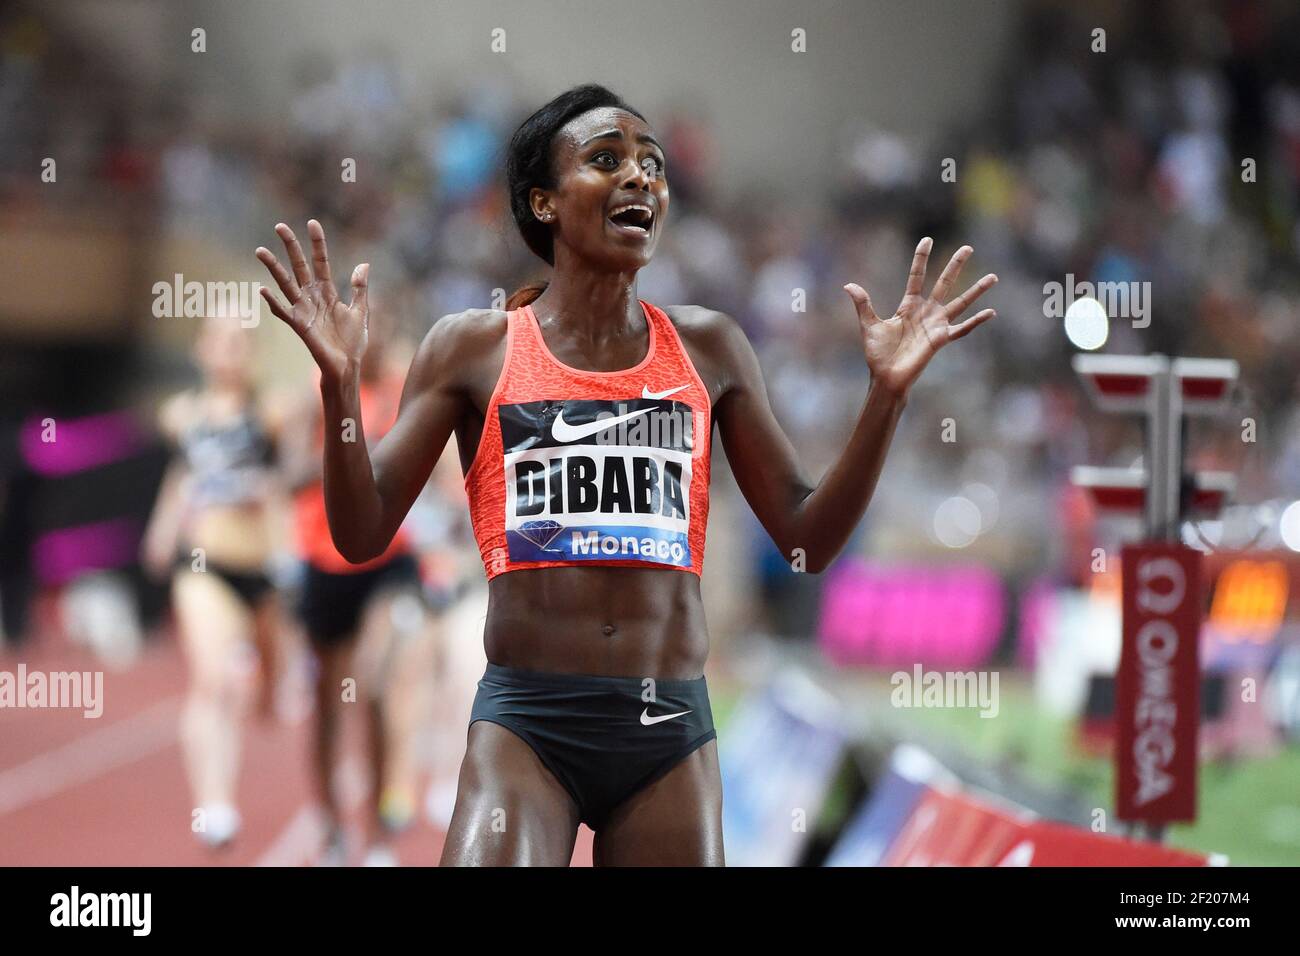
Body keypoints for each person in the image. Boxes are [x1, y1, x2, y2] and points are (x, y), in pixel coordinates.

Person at [254, 83, 997, 866]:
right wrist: (340, 387)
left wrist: (886, 398)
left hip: (666, 733)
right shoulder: (474, 348)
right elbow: (361, 531)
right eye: (606, 160)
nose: (640, 177)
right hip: (528, 725)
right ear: (543, 202)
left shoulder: (710, 350)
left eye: (652, 164)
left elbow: (808, 542)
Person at [282, 306, 429, 866]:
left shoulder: (403, 392)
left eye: (376, 329)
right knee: (327, 704)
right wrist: (344, 452)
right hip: (323, 561)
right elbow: (288, 474)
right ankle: (330, 824)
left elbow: (428, 470)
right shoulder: (313, 395)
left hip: (386, 561)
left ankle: (379, 834)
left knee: (371, 682)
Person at [141, 314, 286, 849]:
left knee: (267, 686)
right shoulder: (181, 415)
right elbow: (181, 474)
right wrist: (161, 529)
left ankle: (270, 685)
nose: (228, 351)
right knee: (213, 681)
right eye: (218, 341)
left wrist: (265, 491)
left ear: (250, 353)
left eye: (238, 343)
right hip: (204, 565)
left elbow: (290, 472)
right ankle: (214, 802)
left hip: (261, 567)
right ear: (201, 350)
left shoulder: (269, 412)